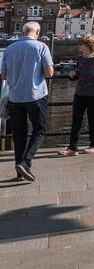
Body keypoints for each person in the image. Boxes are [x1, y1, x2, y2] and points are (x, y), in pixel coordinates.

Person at [0, 20, 55, 182]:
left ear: (23, 32)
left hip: (15, 97)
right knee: (40, 130)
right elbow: (49, 73)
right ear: (37, 33)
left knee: (19, 134)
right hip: (36, 95)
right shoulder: (41, 47)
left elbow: (3, 75)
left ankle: (19, 171)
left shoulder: (9, 49)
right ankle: (26, 162)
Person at [63, 34, 94, 155]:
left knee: (92, 120)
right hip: (79, 94)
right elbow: (77, 75)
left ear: (88, 45)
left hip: (93, 94)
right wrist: (72, 75)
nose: (79, 46)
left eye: (80, 44)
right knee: (76, 120)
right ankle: (72, 148)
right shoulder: (80, 59)